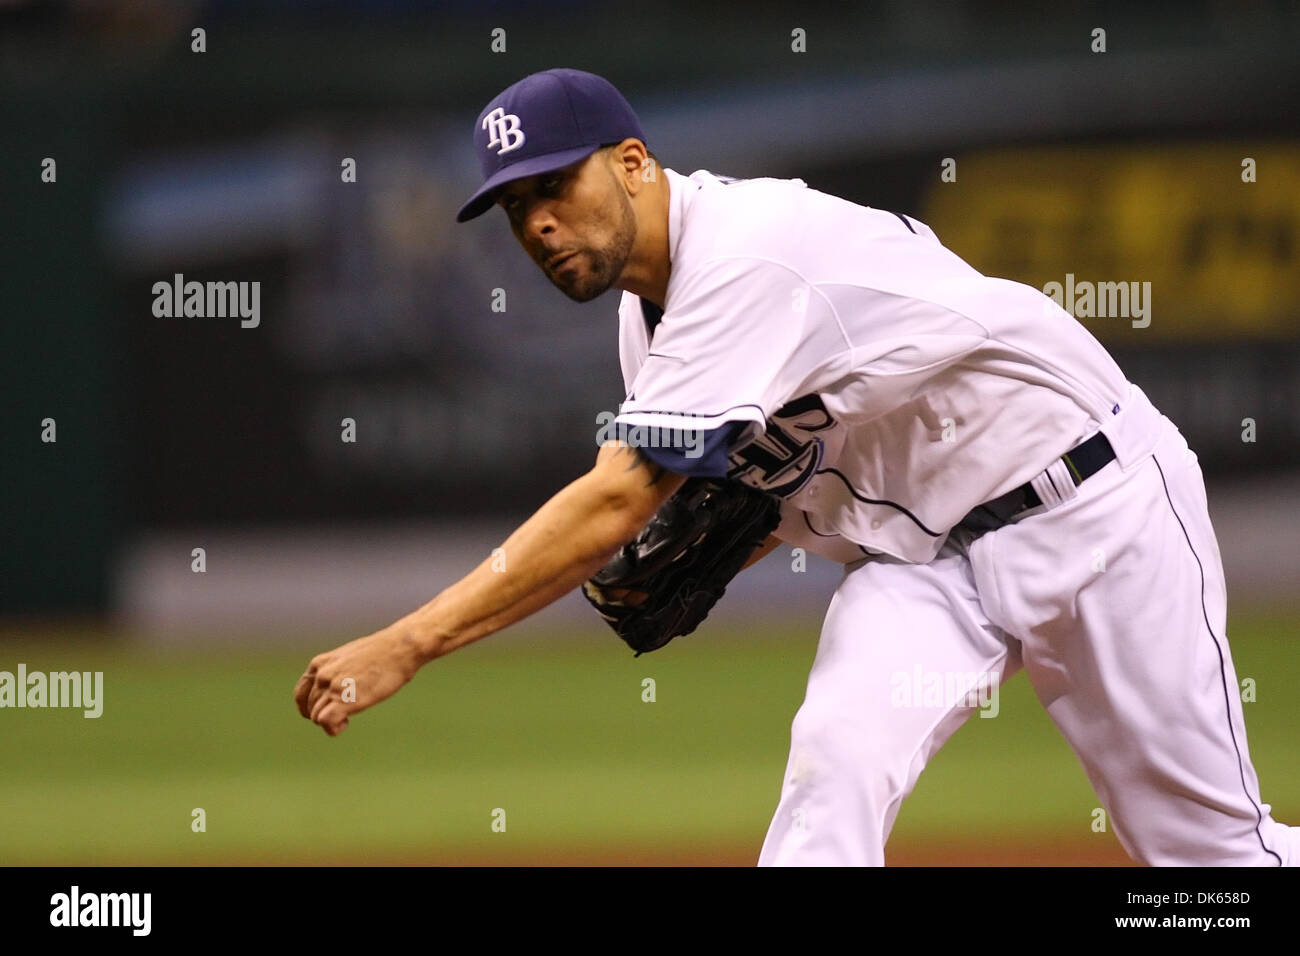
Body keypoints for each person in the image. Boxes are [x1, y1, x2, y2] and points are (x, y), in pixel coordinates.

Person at [294, 68, 1298, 866]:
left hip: (1091, 506)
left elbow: (615, 496)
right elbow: (764, 489)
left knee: (1206, 857)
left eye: (554, 184)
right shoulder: (647, 333)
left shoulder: (747, 256)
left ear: (634, 162)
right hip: (925, 563)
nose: (538, 223)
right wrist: (719, 552)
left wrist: (410, 642)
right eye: (514, 208)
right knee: (834, 766)